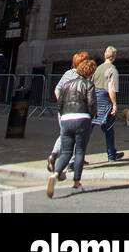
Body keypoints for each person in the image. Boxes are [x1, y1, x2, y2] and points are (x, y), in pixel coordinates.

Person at [46, 55, 97, 197]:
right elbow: (92, 104)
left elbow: (60, 103)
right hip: (82, 119)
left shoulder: (67, 84)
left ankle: (55, 174)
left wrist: (63, 116)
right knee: (79, 152)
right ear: (89, 73)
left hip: (66, 119)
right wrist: (92, 115)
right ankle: (76, 183)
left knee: (66, 152)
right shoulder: (88, 85)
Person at [93, 46, 124, 162]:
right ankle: (111, 154)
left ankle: (77, 156)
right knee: (109, 129)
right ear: (114, 57)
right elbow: (111, 88)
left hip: (95, 101)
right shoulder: (112, 69)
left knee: (88, 129)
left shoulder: (98, 68)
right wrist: (114, 104)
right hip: (105, 101)